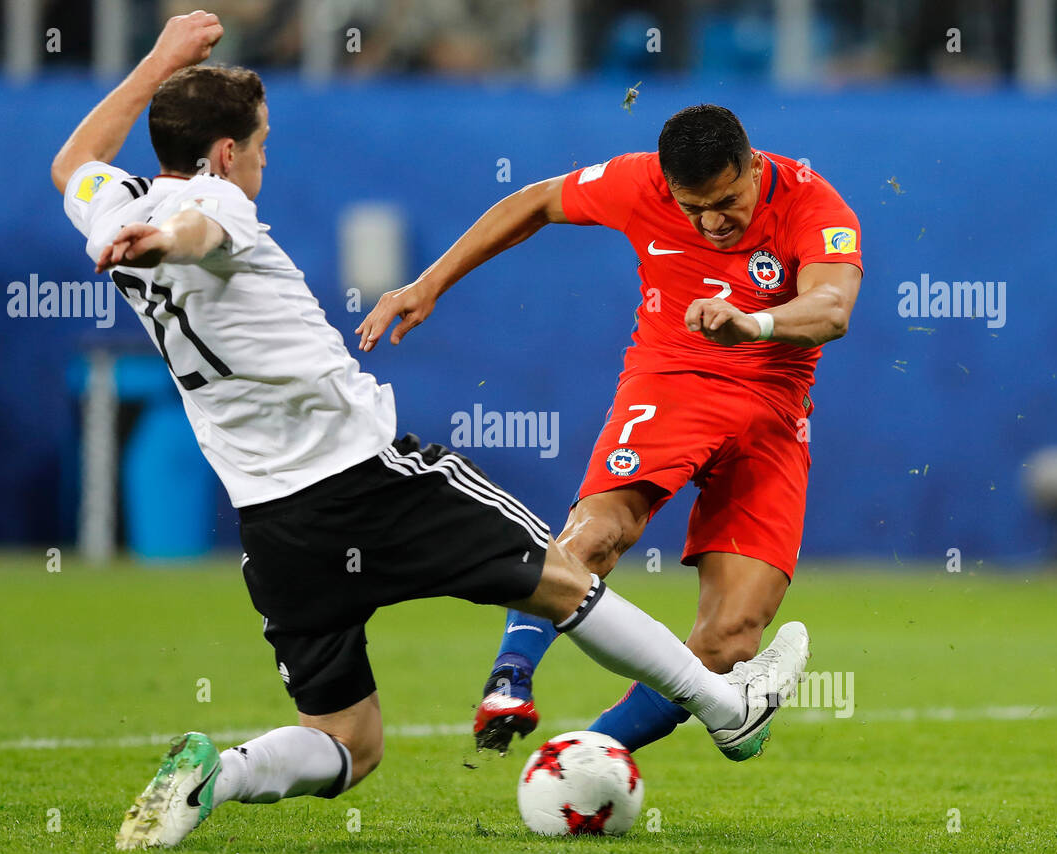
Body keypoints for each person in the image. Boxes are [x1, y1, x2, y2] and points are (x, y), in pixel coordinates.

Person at [50, 11, 810, 850]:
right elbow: (199, 228)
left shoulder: (111, 206)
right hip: (367, 477)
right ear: (227, 152)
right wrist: (165, 241)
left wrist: (156, 63)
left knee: (349, 742)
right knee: (562, 577)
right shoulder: (214, 201)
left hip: (271, 519)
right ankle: (727, 707)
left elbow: (72, 163)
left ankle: (217, 774)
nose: (266, 157)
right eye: (261, 143)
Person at [358, 104, 862, 758]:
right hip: (672, 382)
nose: (711, 222)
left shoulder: (812, 203)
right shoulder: (638, 182)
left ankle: (581, 758)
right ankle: (510, 678)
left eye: (726, 202)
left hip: (773, 411)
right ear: (669, 186)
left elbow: (832, 307)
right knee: (598, 533)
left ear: (753, 166)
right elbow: (537, 201)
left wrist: (754, 323)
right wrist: (430, 283)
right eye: (693, 208)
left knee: (733, 638)